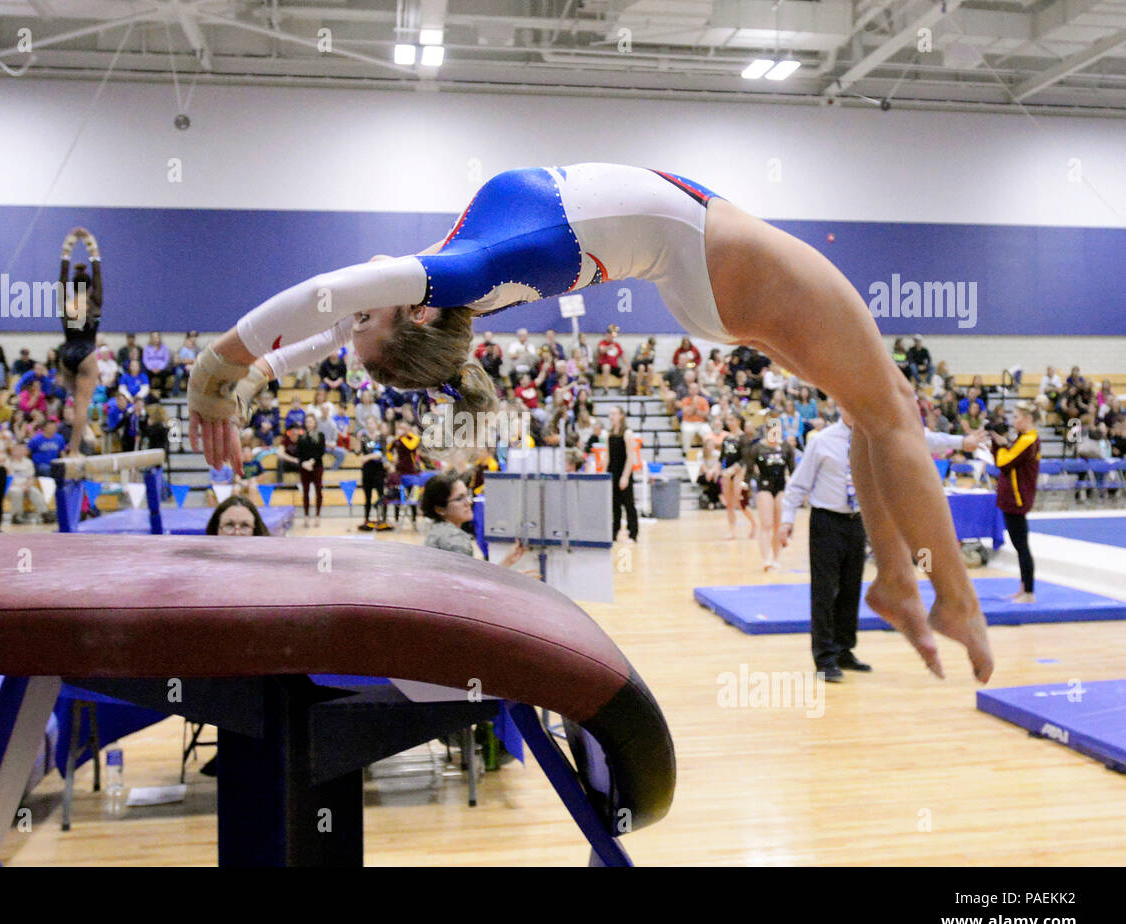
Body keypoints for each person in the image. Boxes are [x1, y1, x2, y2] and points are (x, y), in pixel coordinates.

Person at [189, 162, 991, 682]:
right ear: (413, 312)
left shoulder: (448, 280)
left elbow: (333, 324)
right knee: (892, 411)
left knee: (871, 407)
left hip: (704, 270)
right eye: (368, 321)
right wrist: (213, 376)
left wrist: (261, 373)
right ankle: (953, 596)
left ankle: (894, 576)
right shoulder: (453, 272)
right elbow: (323, 296)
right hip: (713, 256)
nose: (354, 316)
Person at [778, 409, 868, 683]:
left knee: (851, 589)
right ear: (842, 408)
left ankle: (844, 650)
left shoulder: (870, 441)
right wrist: (786, 520)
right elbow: (798, 483)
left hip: (857, 521)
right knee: (825, 590)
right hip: (826, 521)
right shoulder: (822, 440)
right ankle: (824, 657)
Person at [55, 227, 102, 456]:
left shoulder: (65, 300)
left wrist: (68, 249)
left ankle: (80, 435)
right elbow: (98, 274)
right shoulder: (94, 302)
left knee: (75, 400)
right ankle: (74, 449)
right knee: (82, 404)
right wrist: (91, 246)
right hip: (86, 354)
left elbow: (61, 279)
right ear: (91, 286)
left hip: (66, 355)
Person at [420, 472, 526, 569]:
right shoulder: (455, 539)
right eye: (460, 498)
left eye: (467, 495)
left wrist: (507, 562)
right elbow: (468, 587)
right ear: (440, 509)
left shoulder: (437, 532)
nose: (469, 502)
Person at [990, 402, 1041, 603]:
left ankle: (1029, 592)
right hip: (1011, 497)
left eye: (1017, 417)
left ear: (1028, 419)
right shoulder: (1023, 438)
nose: (1013, 421)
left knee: (1021, 546)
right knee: (1019, 545)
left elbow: (1004, 462)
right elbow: (1004, 460)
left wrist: (1001, 444)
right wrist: (1000, 444)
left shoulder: (1029, 440)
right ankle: (1023, 588)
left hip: (1017, 498)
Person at [745, 421, 795, 570]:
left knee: (778, 525)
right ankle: (766, 558)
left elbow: (793, 470)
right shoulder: (757, 448)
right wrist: (747, 486)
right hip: (764, 485)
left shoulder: (786, 447)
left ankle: (776, 558)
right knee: (766, 523)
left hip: (781, 486)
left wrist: (793, 486)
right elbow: (749, 470)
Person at [603, 406, 639, 544]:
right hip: (613, 472)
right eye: (610, 414)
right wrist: (605, 474)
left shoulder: (627, 433)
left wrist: (625, 476)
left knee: (629, 504)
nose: (611, 416)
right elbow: (607, 456)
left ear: (621, 416)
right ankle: (614, 532)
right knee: (614, 505)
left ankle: (633, 533)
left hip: (624, 472)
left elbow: (631, 457)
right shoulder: (608, 434)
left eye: (614, 414)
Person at [718, 412, 756, 540]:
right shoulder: (726, 438)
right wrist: (717, 469)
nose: (729, 422)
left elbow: (745, 459)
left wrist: (732, 470)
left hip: (739, 472)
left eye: (732, 419)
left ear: (738, 421)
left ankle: (754, 524)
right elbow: (721, 457)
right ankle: (732, 531)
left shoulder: (743, 438)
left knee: (740, 502)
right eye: (727, 420)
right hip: (727, 472)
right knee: (729, 503)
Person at [295, 417, 325, 527]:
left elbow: (321, 451)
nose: (309, 423)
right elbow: (298, 453)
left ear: (315, 423)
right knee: (306, 492)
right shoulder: (301, 436)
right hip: (304, 468)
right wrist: (303, 463)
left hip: (317, 466)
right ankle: (306, 516)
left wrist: (312, 461)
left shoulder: (320, 435)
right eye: (307, 421)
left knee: (318, 491)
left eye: (311, 421)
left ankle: (317, 515)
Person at [6, 442, 46, 524]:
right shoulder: (7, 462)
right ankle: (16, 516)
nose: (20, 452)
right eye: (18, 449)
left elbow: (31, 478)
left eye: (22, 450)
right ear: (13, 450)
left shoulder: (28, 462)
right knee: (17, 492)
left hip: (25, 486)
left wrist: (26, 486)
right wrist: (20, 486)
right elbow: (7, 480)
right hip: (12, 486)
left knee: (35, 491)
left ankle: (43, 513)